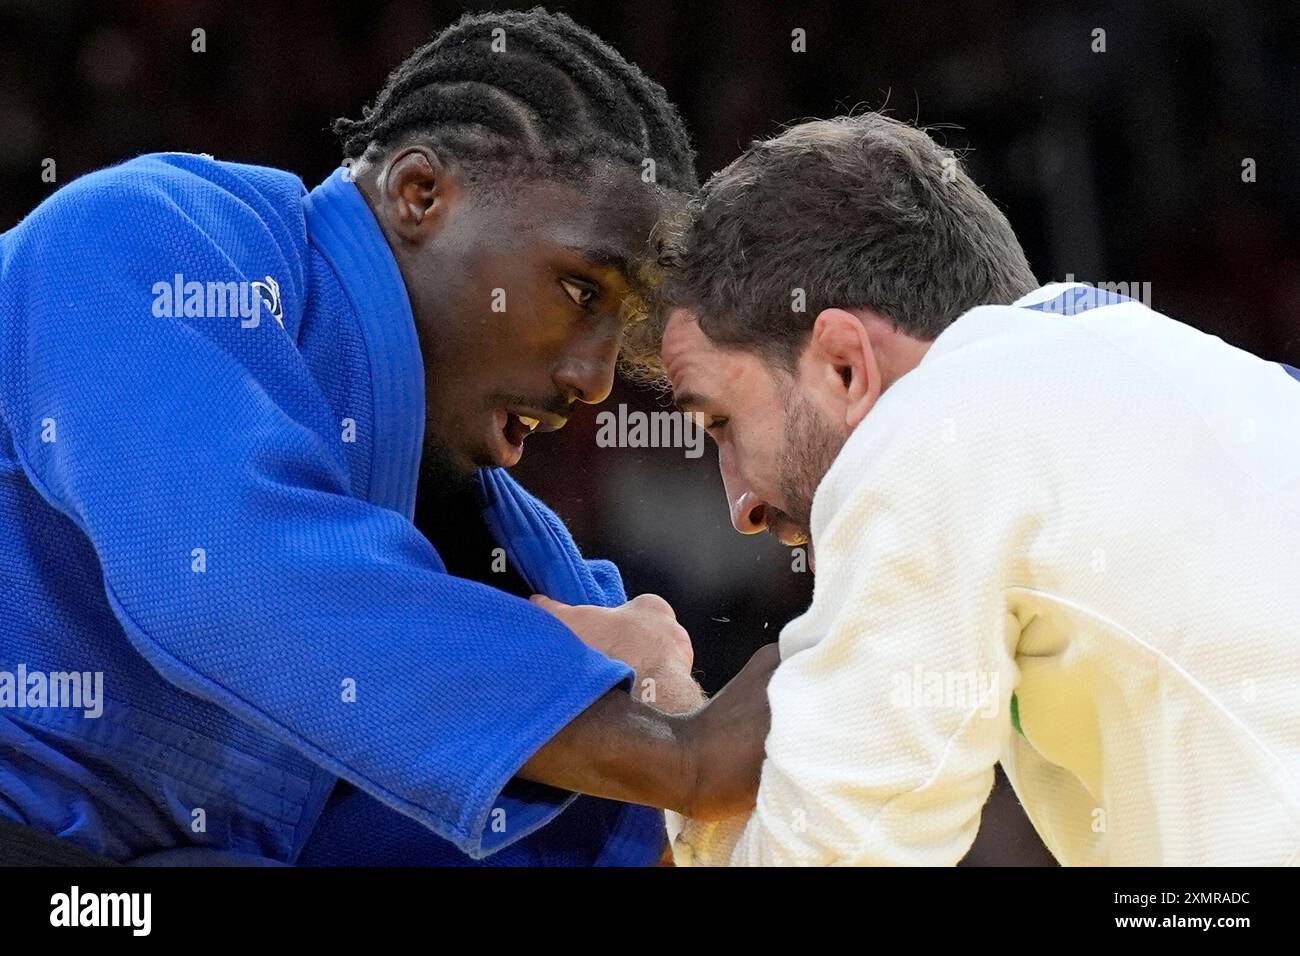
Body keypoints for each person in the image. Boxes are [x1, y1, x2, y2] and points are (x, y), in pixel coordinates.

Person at [0, 7, 774, 867]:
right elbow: (225, 577)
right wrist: (677, 755)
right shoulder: (145, 234)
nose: (593, 382)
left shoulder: (505, 535)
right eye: (581, 290)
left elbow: (662, 824)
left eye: (621, 329)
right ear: (419, 195)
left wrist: (688, 732)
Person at [638, 112, 1300, 865]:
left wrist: (656, 702)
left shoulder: (941, 423)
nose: (741, 507)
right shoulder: (1128, 365)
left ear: (844, 366)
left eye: (720, 422)